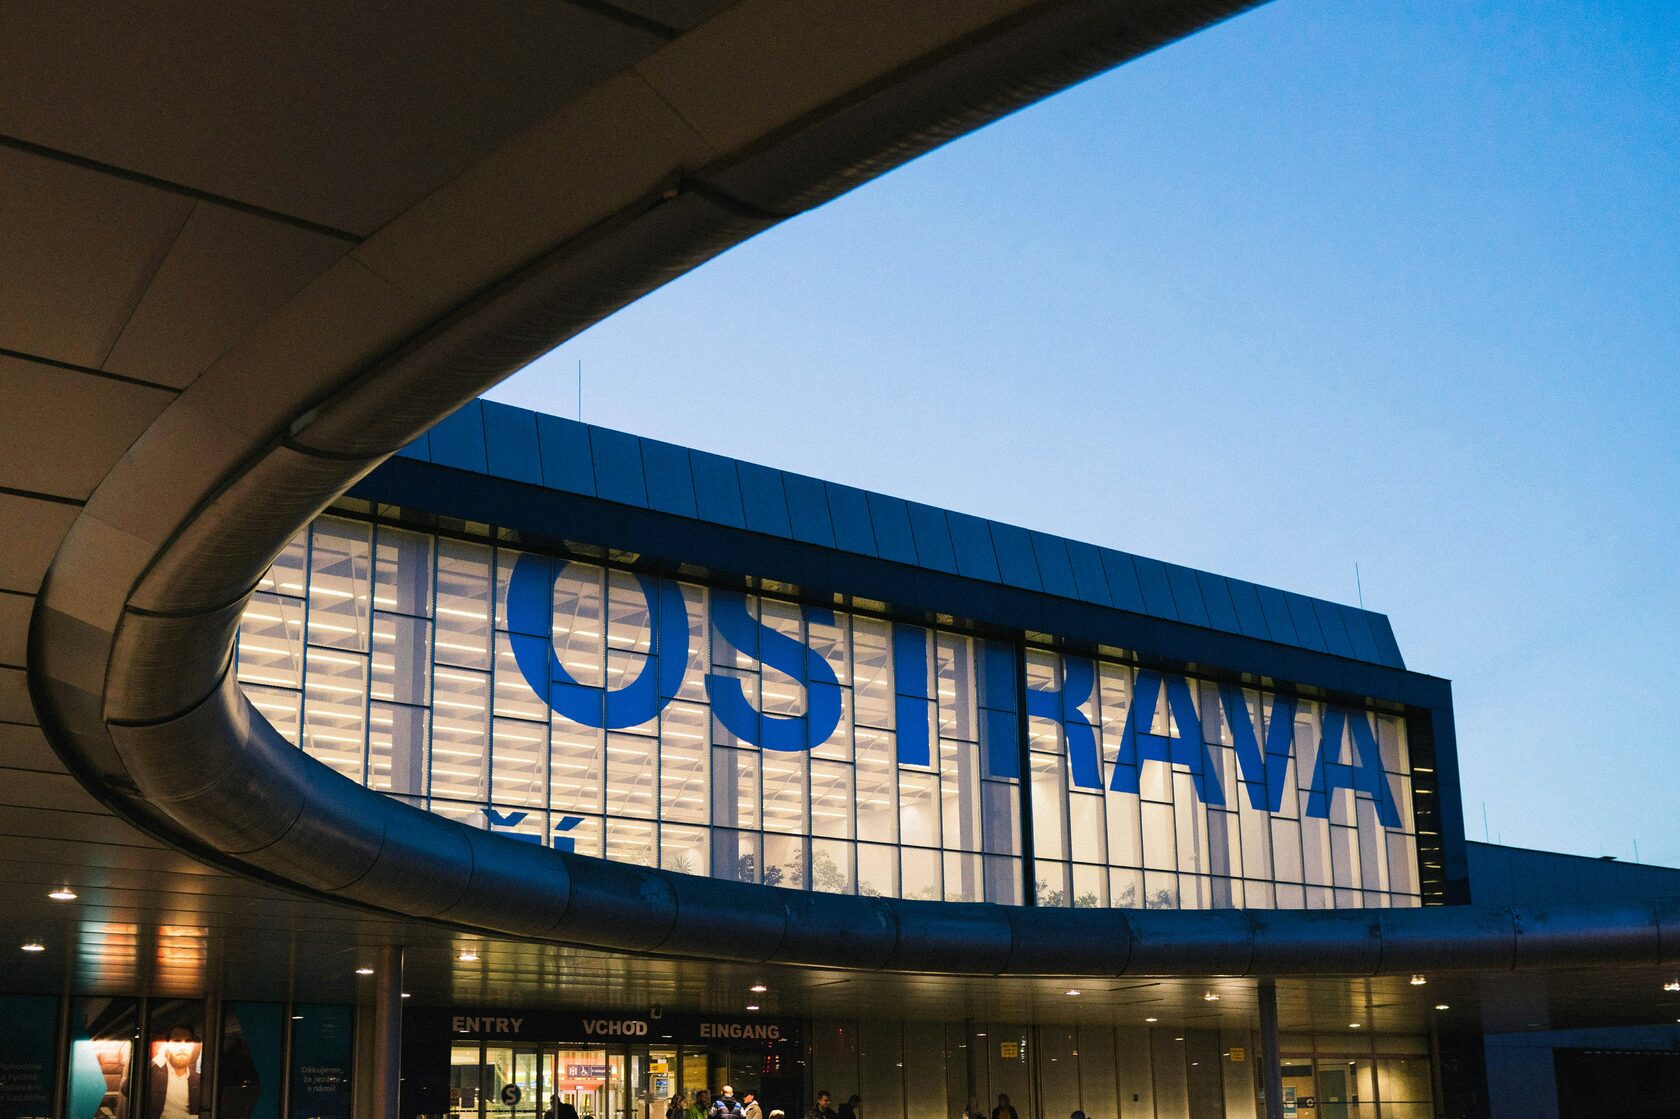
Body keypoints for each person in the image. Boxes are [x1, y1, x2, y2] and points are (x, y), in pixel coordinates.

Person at [146, 1026, 201, 1119]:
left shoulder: (199, 1080)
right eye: (177, 1041)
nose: (182, 1047)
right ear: (168, 1046)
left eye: (188, 1042)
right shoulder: (154, 1075)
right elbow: (127, 1088)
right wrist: (158, 1059)